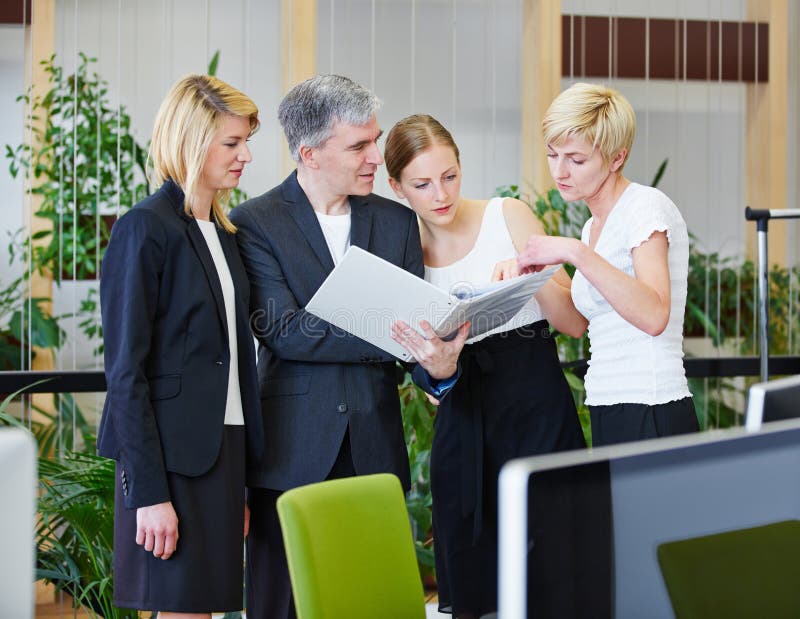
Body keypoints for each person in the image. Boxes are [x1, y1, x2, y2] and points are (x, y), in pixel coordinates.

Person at [229, 75, 468, 619]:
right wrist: (391, 336)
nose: (376, 158)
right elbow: (286, 332)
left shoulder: (399, 222)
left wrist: (440, 367)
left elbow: (418, 343)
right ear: (309, 152)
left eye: (375, 139)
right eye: (359, 145)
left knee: (368, 605)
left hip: (373, 449)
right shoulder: (253, 223)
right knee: (280, 607)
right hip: (290, 452)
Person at [384, 114, 587, 618]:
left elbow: (575, 324)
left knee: (557, 569)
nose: (440, 195)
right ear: (396, 186)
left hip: (538, 408)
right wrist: (438, 366)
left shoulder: (508, 215)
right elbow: (428, 383)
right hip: (465, 427)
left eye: (449, 176)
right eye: (422, 184)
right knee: (476, 581)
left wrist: (535, 274)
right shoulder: (403, 249)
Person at [97, 74, 263, 617]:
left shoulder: (224, 232)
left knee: (205, 609)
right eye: (232, 143)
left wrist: (241, 477)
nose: (245, 157)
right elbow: (126, 373)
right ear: (192, 141)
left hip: (224, 451)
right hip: (170, 464)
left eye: (246, 142)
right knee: (184, 610)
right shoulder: (145, 229)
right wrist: (148, 492)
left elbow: (232, 359)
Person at [517, 82, 698, 447]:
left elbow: (653, 314)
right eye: (553, 155)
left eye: (577, 159)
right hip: (608, 403)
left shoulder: (644, 207)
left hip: (651, 402)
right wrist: (532, 278)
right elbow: (579, 324)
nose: (560, 171)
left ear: (616, 158)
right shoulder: (591, 227)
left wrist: (574, 253)